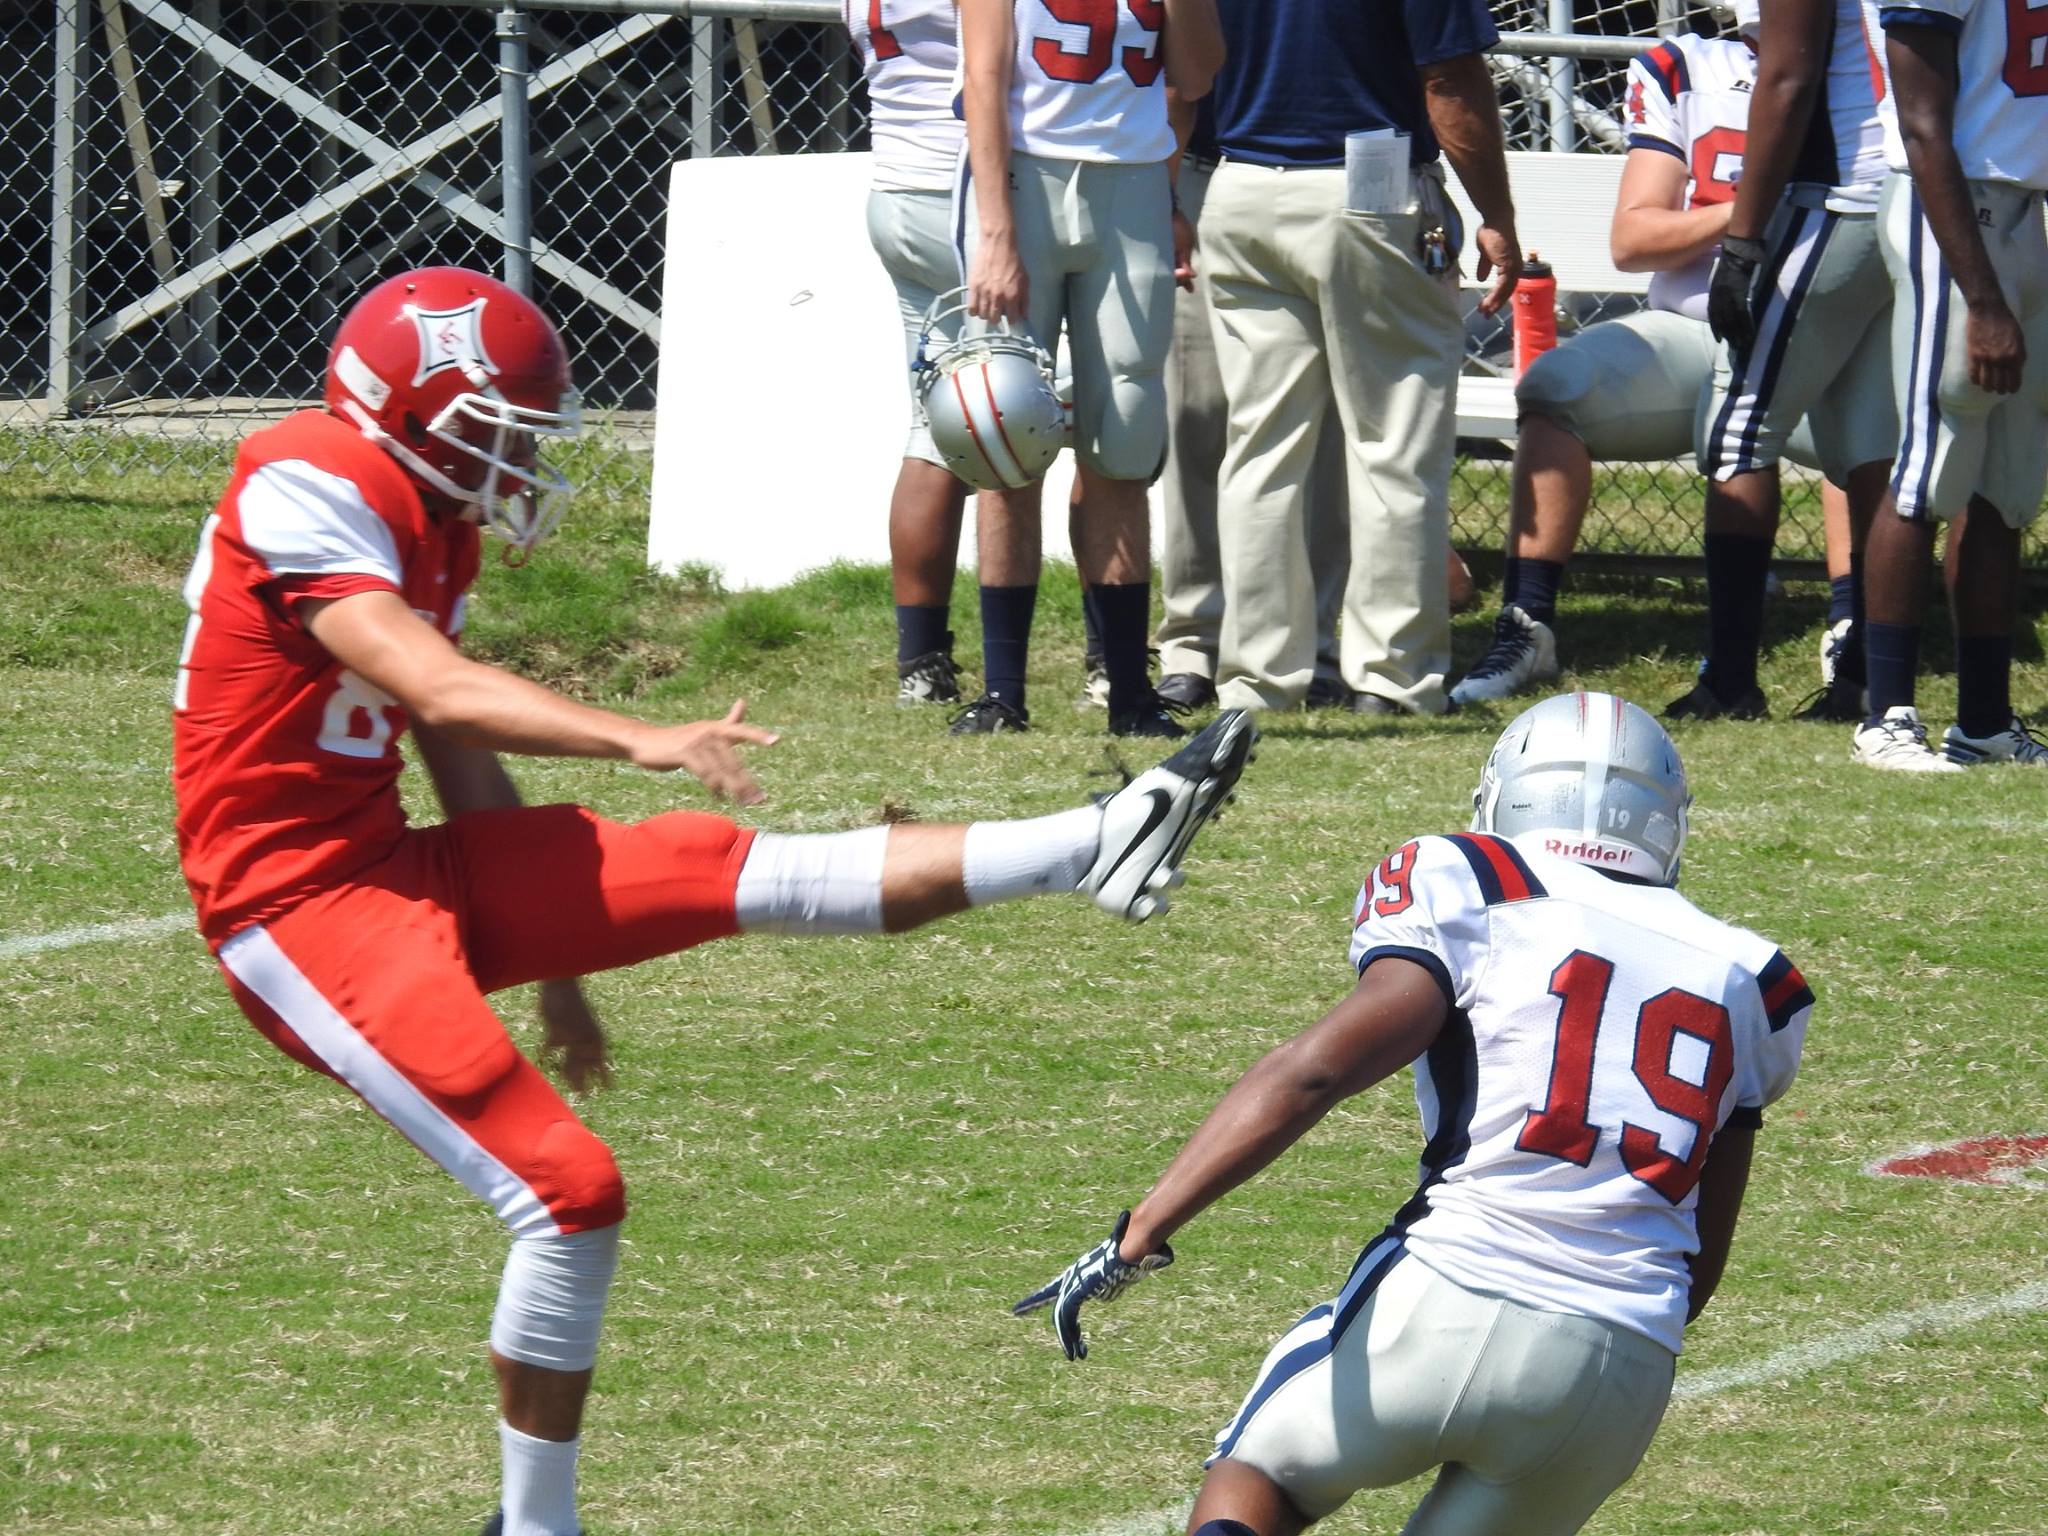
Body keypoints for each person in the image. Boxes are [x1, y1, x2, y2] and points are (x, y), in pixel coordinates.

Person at [170, 267, 1258, 1536]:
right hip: (293, 908)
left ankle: (1091, 843)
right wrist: (635, 736)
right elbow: (439, 687)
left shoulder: (422, 509)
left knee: (718, 864)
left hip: (397, 864)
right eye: (502, 431)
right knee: (566, 1195)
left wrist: (554, 962)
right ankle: (533, 1526)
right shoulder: (307, 472)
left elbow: (446, 740)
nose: (521, 464)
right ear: (415, 412)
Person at [1016, 691, 1811, 1536]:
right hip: (1621, 1366)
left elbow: (1312, 1074)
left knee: (1261, 1480)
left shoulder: (1475, 879)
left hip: (1449, 1289)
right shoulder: (1755, 977)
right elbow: (1700, 1263)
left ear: (1505, 793)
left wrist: (1137, 1236)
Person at [1450, 7, 1866, 714]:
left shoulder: (1862, 67)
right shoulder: (1686, 66)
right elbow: (1635, 238)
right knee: (1557, 389)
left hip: (1814, 331)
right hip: (1695, 325)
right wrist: (1751, 210)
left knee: (1864, 421)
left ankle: (1854, 627)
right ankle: (1528, 624)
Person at [1202, 0, 1518, 718]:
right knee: (1394, 444)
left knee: (1261, 449)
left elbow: (1187, 62)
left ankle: (1257, 680)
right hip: (1367, 182)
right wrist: (1496, 213)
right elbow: (1450, 79)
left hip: (1243, 181)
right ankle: (1392, 678)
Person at [952, 0, 1225, 737]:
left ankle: (1128, 691)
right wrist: (996, 230)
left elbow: (1195, 77)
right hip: (1022, 185)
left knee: (1125, 438)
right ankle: (1002, 691)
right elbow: (982, 77)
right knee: (1005, 435)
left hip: (1130, 186)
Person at [1843, 1, 2048, 769]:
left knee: (2010, 478)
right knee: (1933, 461)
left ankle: (1986, 721)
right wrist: (1986, 299)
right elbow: (1924, 119)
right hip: (1954, 214)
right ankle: (1885, 712)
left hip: (2025, 213)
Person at [1681, 0, 1895, 721]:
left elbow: (1787, 76)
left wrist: (1743, 240)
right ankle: (1872, 679)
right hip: (1909, 200)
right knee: (1874, 447)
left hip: (1836, 200)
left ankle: (1731, 678)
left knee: (1737, 434)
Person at [1153, 95, 1352, 713]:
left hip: (1331, 173)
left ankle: (1314, 644)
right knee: (1197, 415)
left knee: (1323, 432)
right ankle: (1194, 643)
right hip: (1204, 166)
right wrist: (1163, 192)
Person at [847, 0, 971, 706]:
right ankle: (1105, 656)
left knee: (933, 428)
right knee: (1033, 413)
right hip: (959, 185)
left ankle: (920, 662)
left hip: (895, 180)